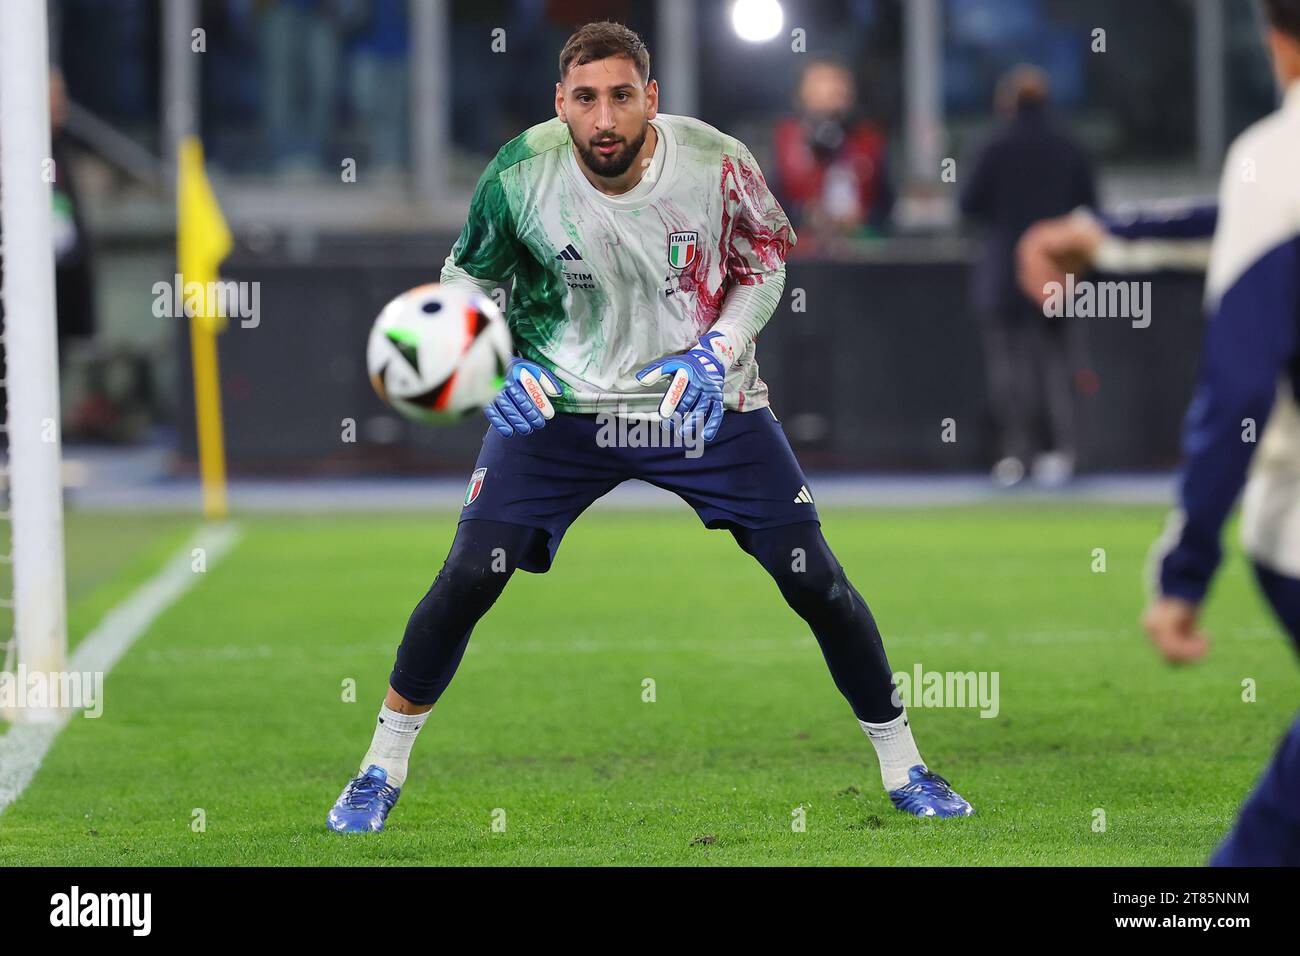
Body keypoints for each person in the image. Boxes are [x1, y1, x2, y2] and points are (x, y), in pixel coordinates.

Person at [327, 20, 972, 832]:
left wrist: (719, 351)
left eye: (622, 97)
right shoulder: (521, 172)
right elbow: (466, 279)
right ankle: (378, 770)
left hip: (700, 402)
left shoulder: (715, 161)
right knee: (467, 578)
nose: (605, 119)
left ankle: (904, 764)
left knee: (814, 577)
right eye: (587, 99)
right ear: (560, 102)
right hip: (560, 407)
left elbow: (763, 262)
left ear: (651, 100)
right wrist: (493, 365)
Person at [1015, 0, 1300, 866]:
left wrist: (1182, 574)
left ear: (1275, 37)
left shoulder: (1275, 158)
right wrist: (1106, 239)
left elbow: (1240, 385)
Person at [960, 66, 1097, 488]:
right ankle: (1067, 453)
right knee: (1059, 367)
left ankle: (1018, 457)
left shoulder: (992, 146)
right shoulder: (1070, 146)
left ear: (1007, 103)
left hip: (1004, 274)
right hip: (1057, 272)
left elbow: (968, 205)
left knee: (1010, 371)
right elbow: (1091, 208)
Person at [772, 57, 892, 237]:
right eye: (820, 83)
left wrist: (863, 218)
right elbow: (767, 202)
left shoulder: (869, 139)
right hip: (800, 250)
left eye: (838, 84)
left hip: (861, 246)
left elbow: (886, 201)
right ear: (802, 94)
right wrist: (804, 214)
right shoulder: (785, 139)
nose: (831, 92)